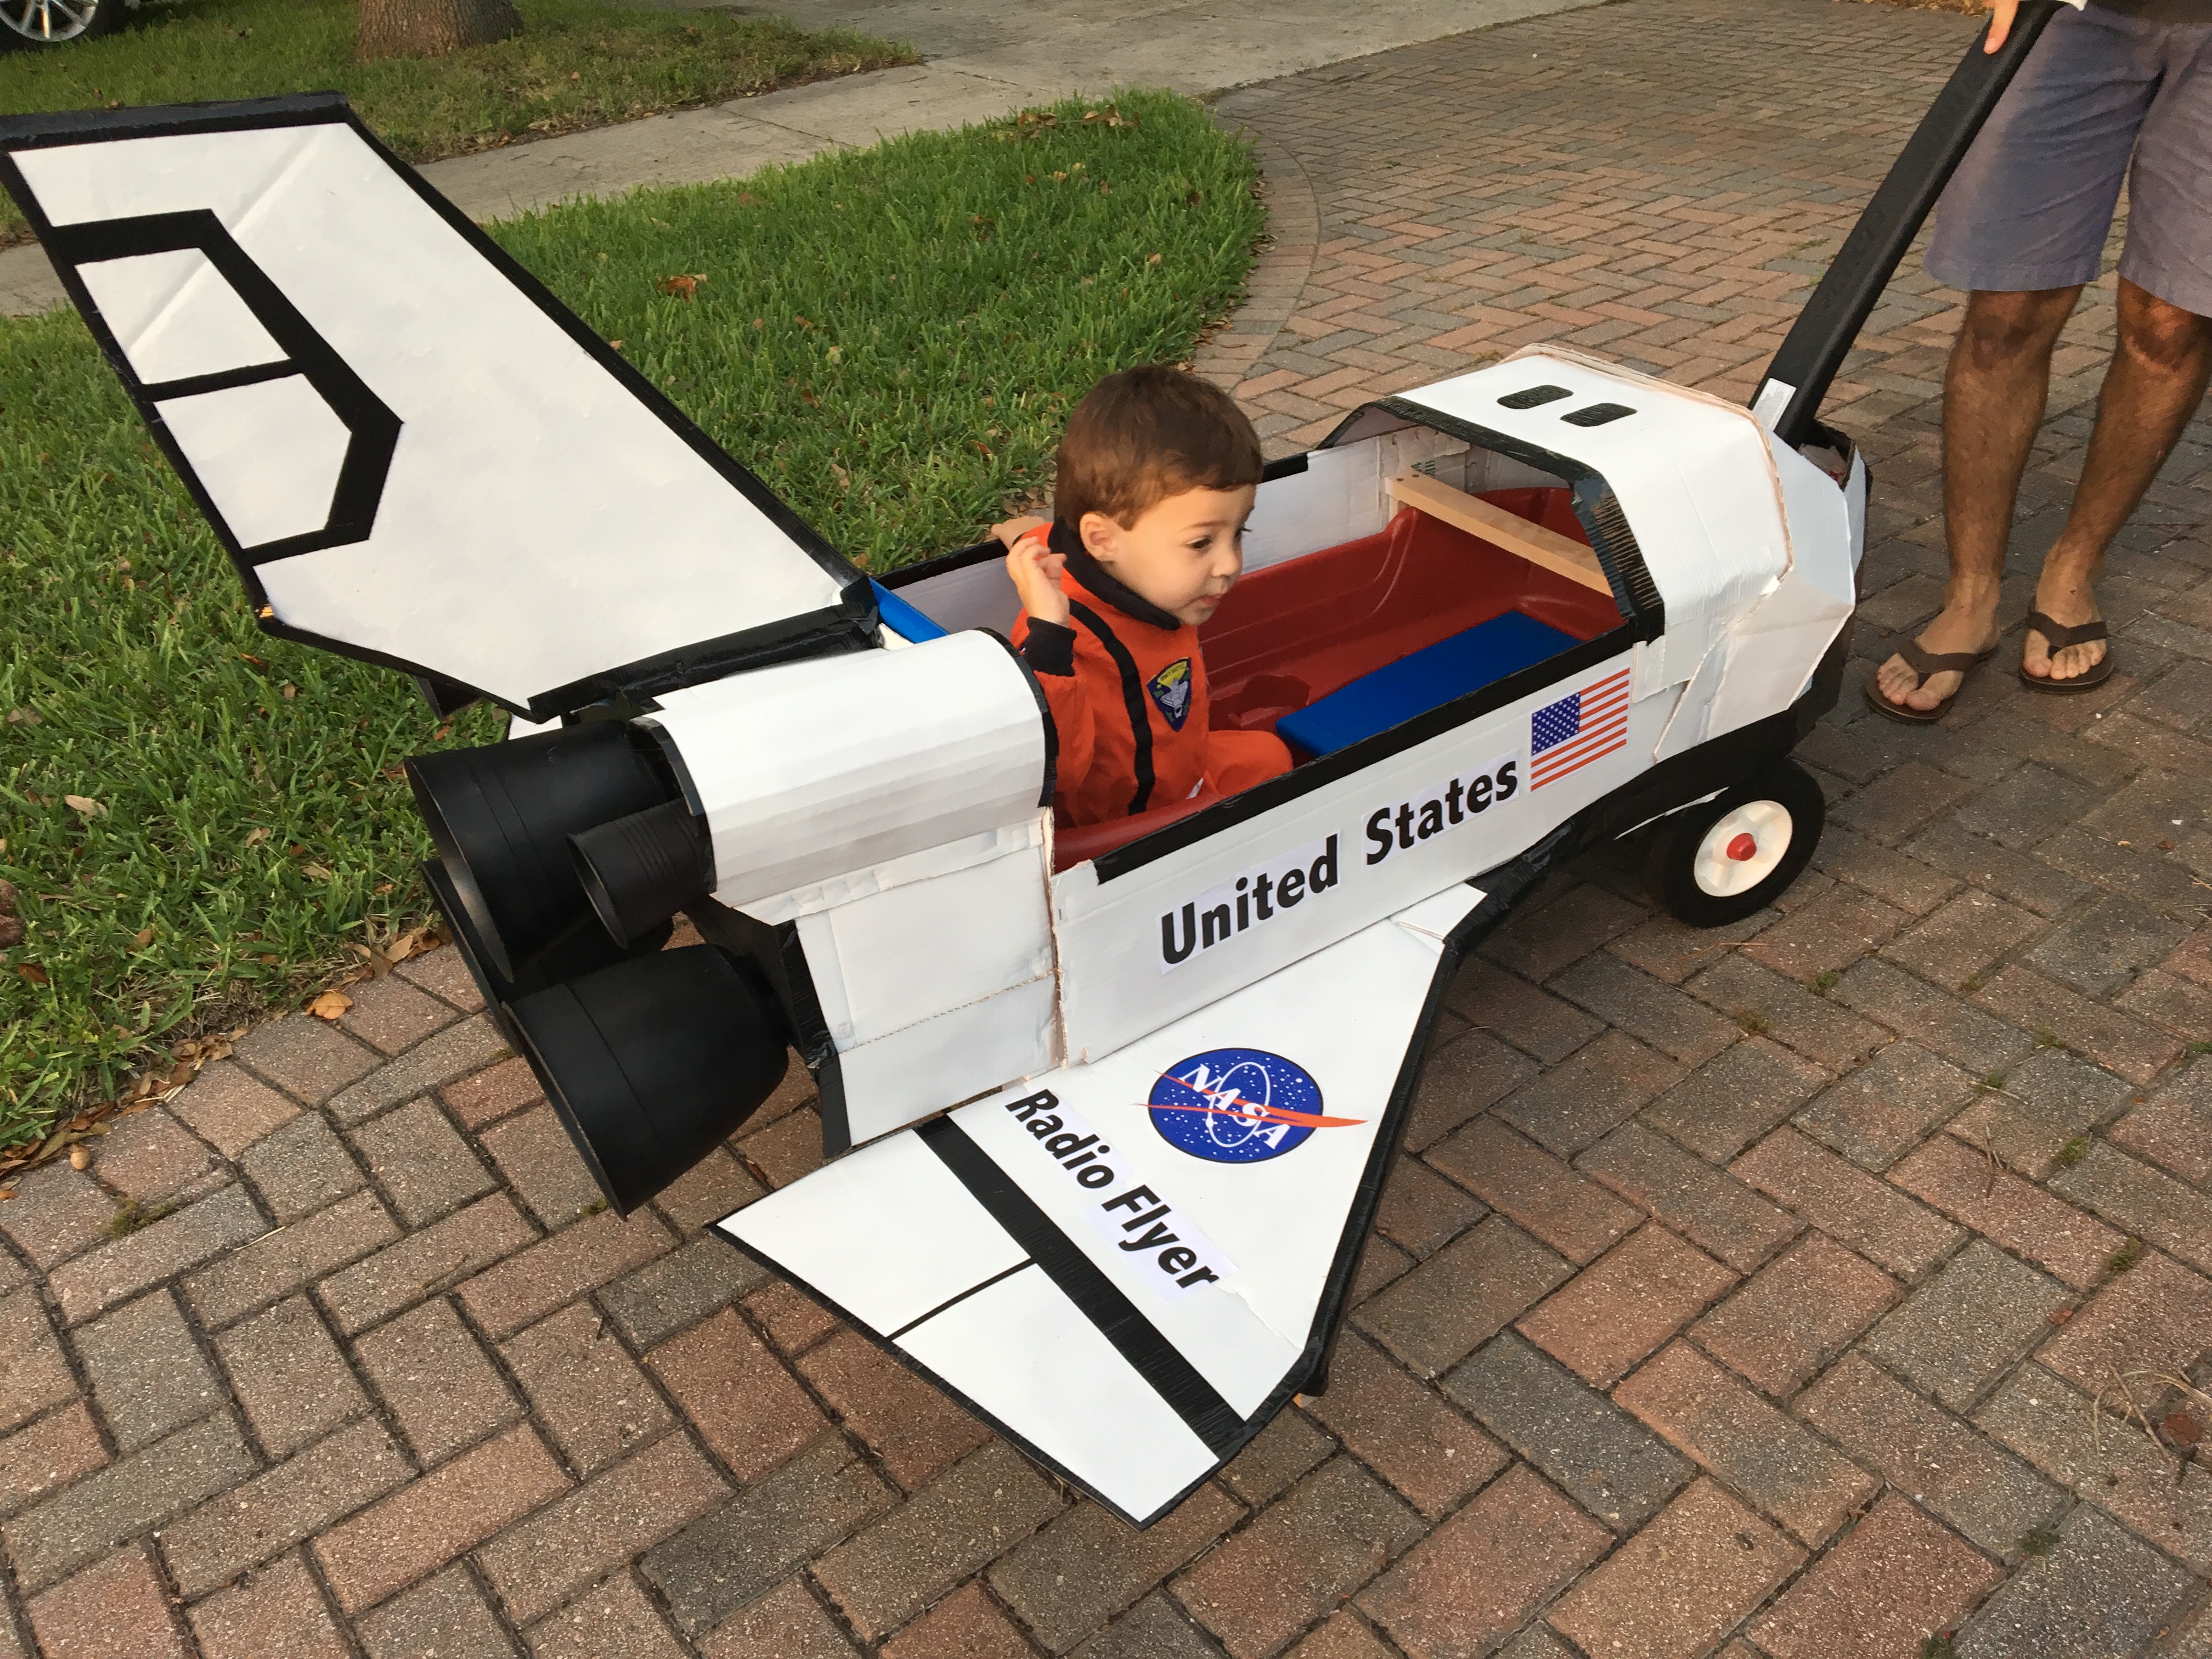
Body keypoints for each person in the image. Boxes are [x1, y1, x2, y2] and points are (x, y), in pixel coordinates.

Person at [1867, 0, 2212, 721]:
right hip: (2078, 15)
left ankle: (2071, 569)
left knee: (2172, 321)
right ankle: (1971, 596)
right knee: (2007, 314)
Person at [993, 366, 1293, 827]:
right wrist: (1050, 636)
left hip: (1184, 773)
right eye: (1201, 543)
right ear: (1103, 541)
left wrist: (1018, 536)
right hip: (1131, 827)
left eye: (1239, 531)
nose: (1230, 563)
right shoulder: (1065, 637)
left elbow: (1044, 536)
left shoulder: (1144, 576)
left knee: (1274, 756)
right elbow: (1054, 777)